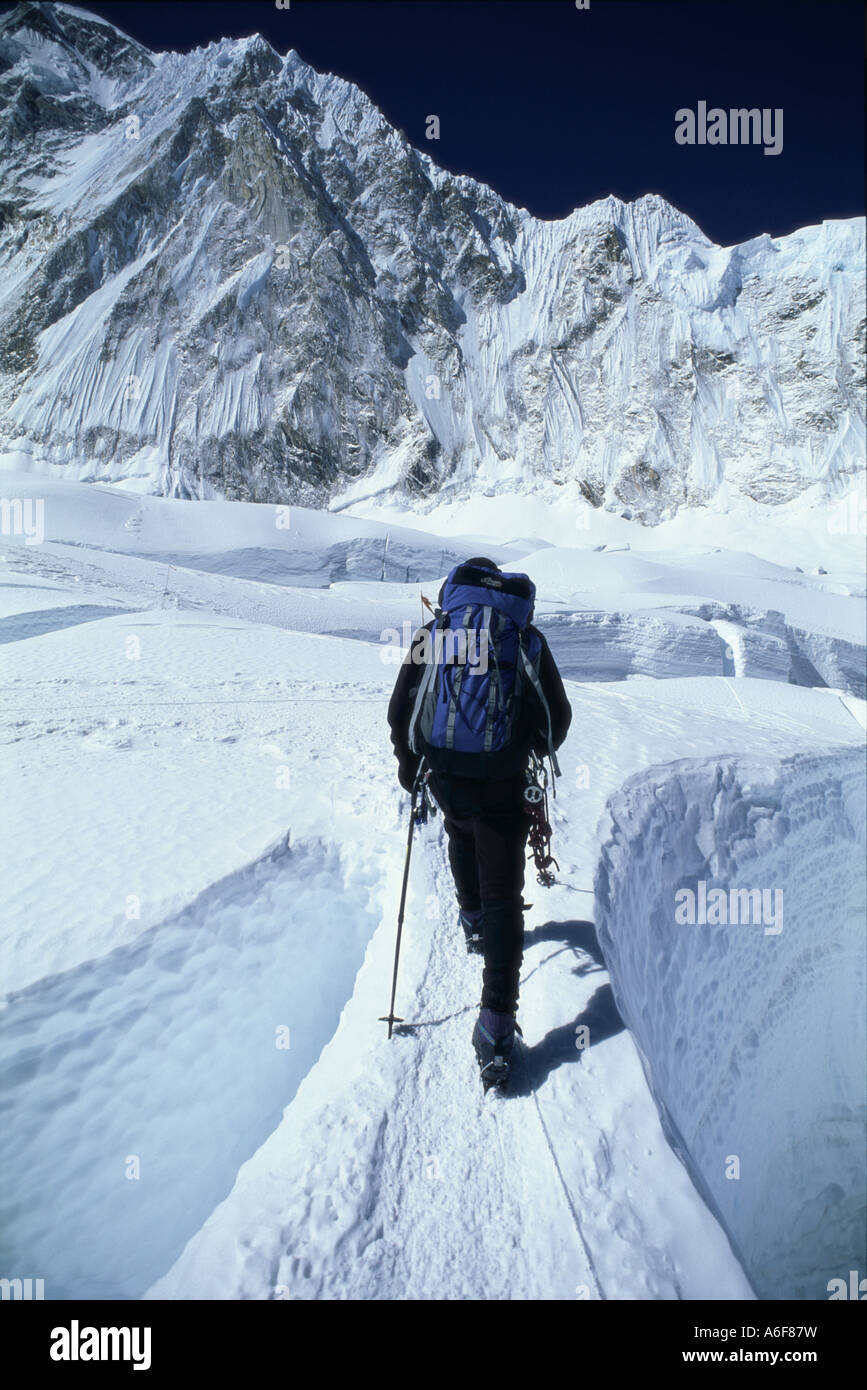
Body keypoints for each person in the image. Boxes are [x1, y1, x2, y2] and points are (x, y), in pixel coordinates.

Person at [387, 557, 572, 1087]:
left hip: (446, 776)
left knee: (458, 834)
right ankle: (494, 1026)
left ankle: (470, 922)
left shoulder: (436, 632)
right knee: (504, 896)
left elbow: (401, 709)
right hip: (502, 782)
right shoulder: (524, 639)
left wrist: (410, 766)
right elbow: (557, 716)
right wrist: (528, 748)